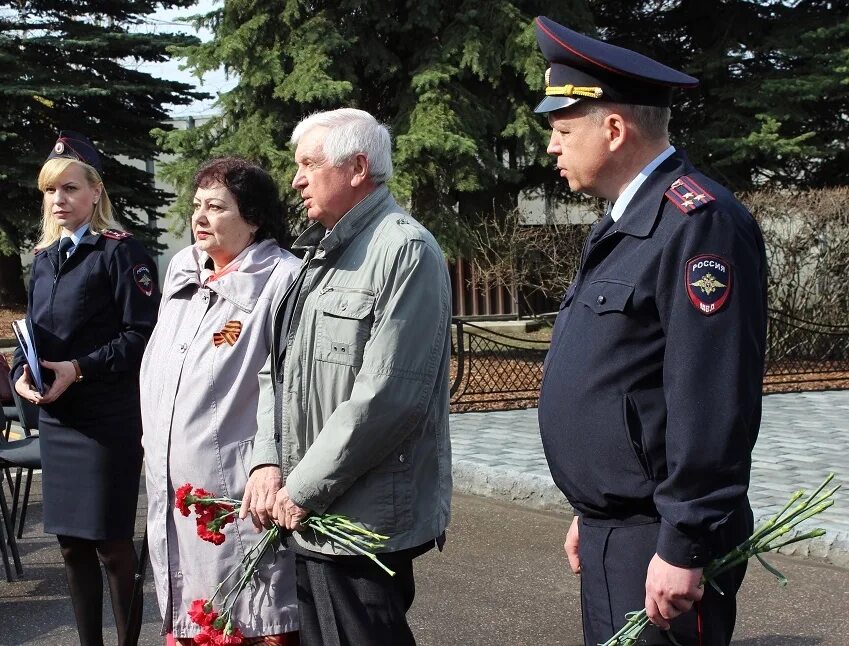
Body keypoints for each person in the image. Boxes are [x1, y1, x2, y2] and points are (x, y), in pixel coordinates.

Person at [532, 17, 768, 646]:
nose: (551, 148)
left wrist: (684, 540)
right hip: (620, 528)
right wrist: (593, 508)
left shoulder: (697, 224)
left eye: (561, 130)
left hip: (660, 539)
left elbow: (713, 397)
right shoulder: (627, 219)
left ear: (613, 129)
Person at [241, 108, 452, 646]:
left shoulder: (403, 250)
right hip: (308, 509)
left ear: (358, 167)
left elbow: (387, 398)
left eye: (309, 164)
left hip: (357, 520)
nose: (296, 179)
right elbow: (277, 370)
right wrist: (268, 461)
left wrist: (304, 488)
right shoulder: (320, 251)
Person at [139, 157, 301, 645]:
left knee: (246, 619)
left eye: (216, 206)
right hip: (174, 495)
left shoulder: (282, 280)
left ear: (253, 217)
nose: (200, 217)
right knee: (189, 615)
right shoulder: (182, 276)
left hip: (236, 498)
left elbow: (292, 388)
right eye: (196, 205)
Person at [12, 130, 159, 646]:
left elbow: (142, 336)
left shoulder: (121, 253)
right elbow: (30, 333)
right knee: (71, 546)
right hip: (58, 419)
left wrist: (80, 367)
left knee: (110, 546)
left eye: (70, 189)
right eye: (51, 191)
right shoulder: (45, 258)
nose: (60, 200)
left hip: (105, 420)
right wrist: (20, 375)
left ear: (96, 192)